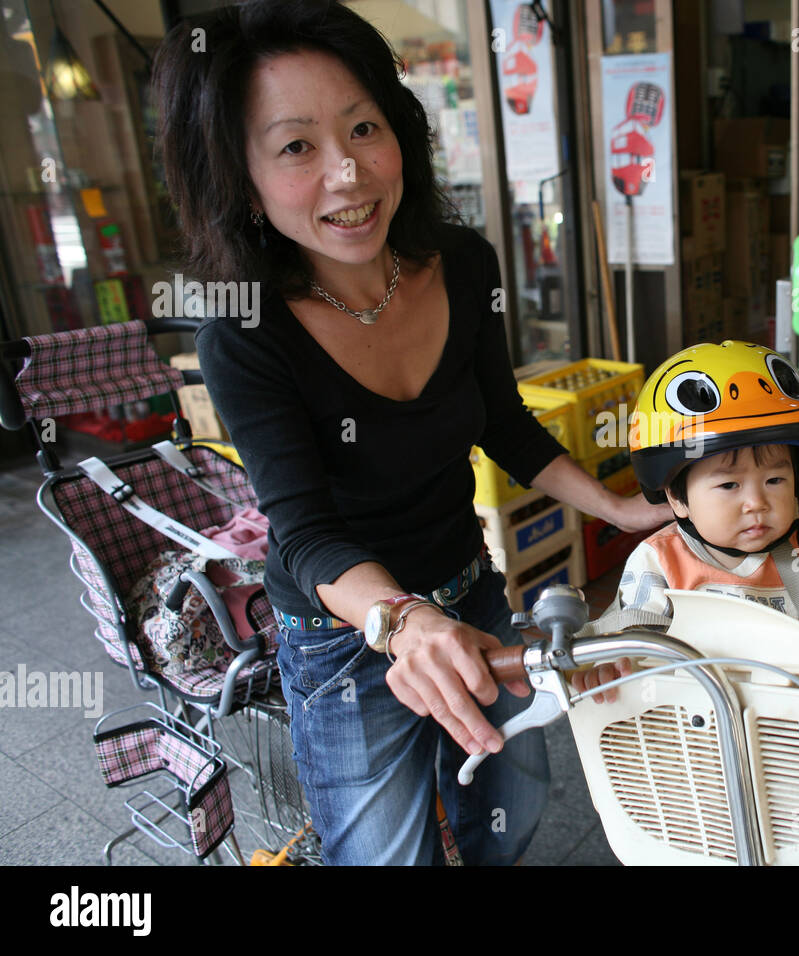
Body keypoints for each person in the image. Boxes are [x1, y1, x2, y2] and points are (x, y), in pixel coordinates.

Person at [151, 0, 669, 864]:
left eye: (364, 128)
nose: (348, 174)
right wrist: (401, 620)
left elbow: (504, 424)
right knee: (386, 854)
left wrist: (616, 512)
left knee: (512, 798)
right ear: (241, 182)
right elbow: (307, 534)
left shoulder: (463, 265)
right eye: (296, 148)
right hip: (347, 640)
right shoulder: (244, 337)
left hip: (470, 592)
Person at [571, 341, 799, 702]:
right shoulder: (661, 563)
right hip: (699, 735)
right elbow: (629, 638)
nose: (756, 503)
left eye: (775, 480)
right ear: (676, 497)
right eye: (729, 484)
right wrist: (606, 663)